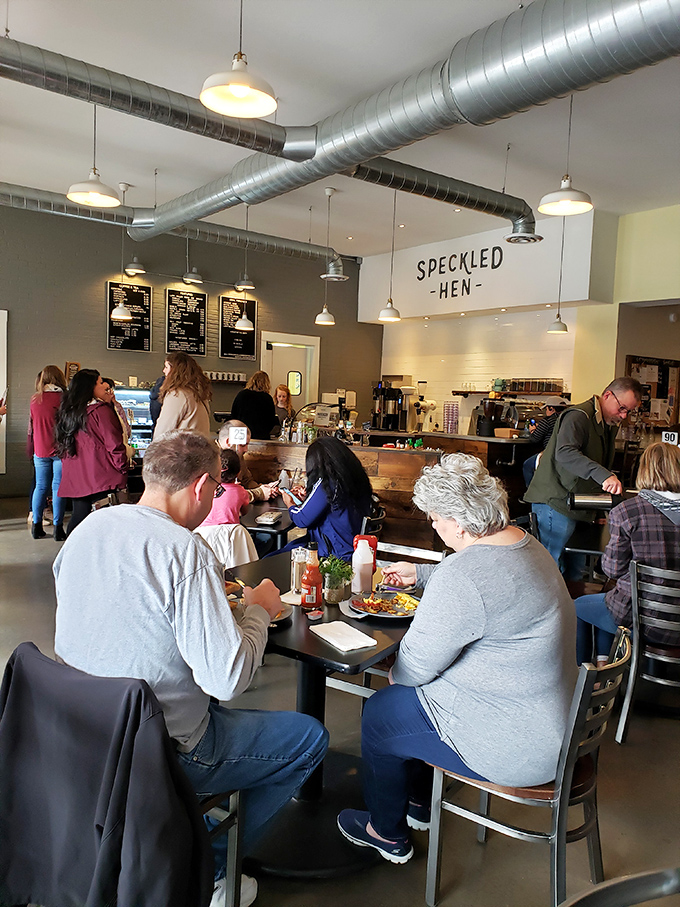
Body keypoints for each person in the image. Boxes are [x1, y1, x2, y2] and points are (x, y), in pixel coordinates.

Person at [52, 430, 328, 907]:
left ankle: (178, 829)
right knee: (310, 739)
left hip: (82, 734)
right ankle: (212, 867)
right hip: (162, 750)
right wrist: (259, 609)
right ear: (201, 486)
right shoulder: (186, 550)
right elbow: (228, 679)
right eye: (217, 488)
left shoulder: (88, 528)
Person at [337, 453, 577, 864]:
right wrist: (422, 574)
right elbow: (487, 581)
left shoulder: (463, 577)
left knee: (382, 712)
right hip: (554, 726)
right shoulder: (526, 543)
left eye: (436, 519)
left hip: (517, 746)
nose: (433, 525)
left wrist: (396, 672)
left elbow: (414, 667)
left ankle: (386, 832)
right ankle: (417, 804)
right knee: (415, 702)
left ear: (460, 523)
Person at [525, 377, 642, 582]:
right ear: (607, 395)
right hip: (556, 501)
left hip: (580, 503)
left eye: (629, 411)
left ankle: (573, 604)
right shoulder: (579, 416)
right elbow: (565, 452)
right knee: (551, 567)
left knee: (576, 571)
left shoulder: (607, 423)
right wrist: (604, 476)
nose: (623, 415)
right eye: (622, 408)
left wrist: (597, 509)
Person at [574, 441, 680, 664]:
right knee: (609, 600)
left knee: (580, 607)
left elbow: (612, 570)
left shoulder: (628, 511)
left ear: (644, 470)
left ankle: (588, 677)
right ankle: (605, 662)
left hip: (642, 620)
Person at [55, 369, 128, 536]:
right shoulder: (101, 411)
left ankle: (72, 549)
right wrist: (122, 466)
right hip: (101, 474)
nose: (105, 385)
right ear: (90, 387)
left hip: (76, 474)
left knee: (79, 516)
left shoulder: (68, 412)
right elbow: (114, 443)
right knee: (104, 519)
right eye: (101, 382)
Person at [279, 435, 373, 561]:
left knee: (271, 559)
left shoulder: (327, 483)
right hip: (353, 550)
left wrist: (289, 503)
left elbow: (301, 519)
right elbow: (334, 506)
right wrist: (309, 499)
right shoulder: (355, 478)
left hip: (332, 555)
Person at [194, 447, 256, 567]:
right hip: (231, 540)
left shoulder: (207, 490)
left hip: (203, 538)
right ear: (238, 473)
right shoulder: (240, 491)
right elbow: (244, 511)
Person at [27, 365, 68, 540]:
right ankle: (58, 529)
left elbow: (31, 427)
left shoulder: (35, 399)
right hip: (60, 450)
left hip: (40, 450)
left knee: (40, 487)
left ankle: (36, 526)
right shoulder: (64, 398)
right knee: (58, 487)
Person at [154, 352, 212, 440]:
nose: (163, 371)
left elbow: (164, 430)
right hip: (201, 446)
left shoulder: (177, 394)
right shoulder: (199, 394)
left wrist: (154, 446)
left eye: (166, 367)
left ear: (175, 370)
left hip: (183, 447)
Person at [218, 420, 279, 502]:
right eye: (243, 445)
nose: (246, 450)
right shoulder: (213, 460)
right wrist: (259, 493)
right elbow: (224, 495)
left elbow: (247, 481)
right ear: (228, 442)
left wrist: (266, 488)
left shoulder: (237, 455)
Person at [522, 396, 568, 488]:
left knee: (527, 465)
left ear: (551, 409)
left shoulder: (547, 421)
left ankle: (531, 492)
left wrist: (532, 430)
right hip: (565, 454)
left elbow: (534, 439)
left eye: (546, 409)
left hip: (550, 454)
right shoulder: (567, 420)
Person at [230, 371, 278, 440]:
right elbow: (271, 420)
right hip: (261, 435)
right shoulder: (267, 398)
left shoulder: (242, 395)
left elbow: (234, 414)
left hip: (242, 434)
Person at [101, 377, 135, 462]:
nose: (111, 393)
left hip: (120, 457)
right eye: (107, 390)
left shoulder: (116, 406)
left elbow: (127, 432)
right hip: (111, 459)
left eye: (111, 389)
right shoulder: (101, 412)